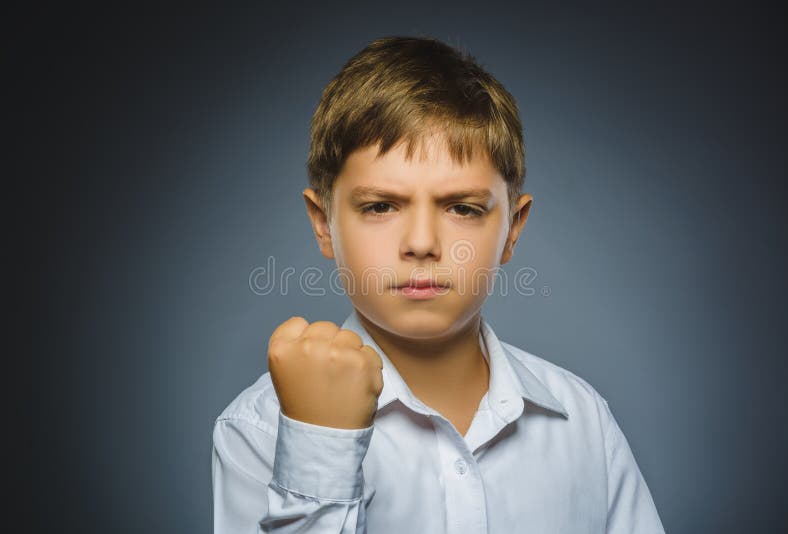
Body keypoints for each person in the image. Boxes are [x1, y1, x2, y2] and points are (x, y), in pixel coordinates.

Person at [212, 35, 666, 533]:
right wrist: (320, 447)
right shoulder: (259, 428)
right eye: (380, 206)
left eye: (462, 208)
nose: (422, 243)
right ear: (323, 223)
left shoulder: (583, 422)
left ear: (513, 229)